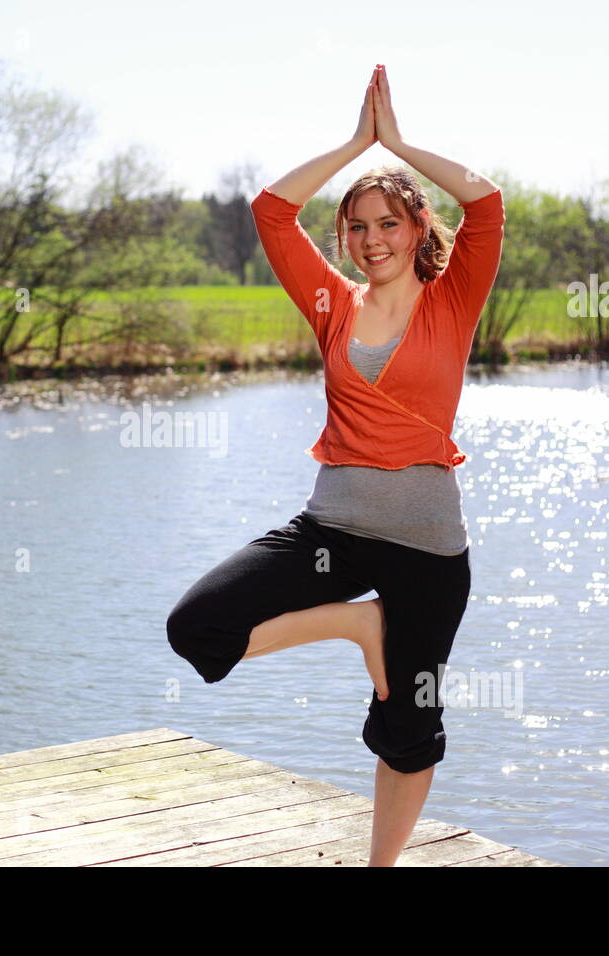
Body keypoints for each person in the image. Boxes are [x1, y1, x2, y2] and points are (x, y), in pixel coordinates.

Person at [166, 63, 504, 867]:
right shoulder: (330, 303)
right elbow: (272, 209)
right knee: (197, 625)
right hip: (334, 531)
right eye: (357, 227)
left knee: (410, 729)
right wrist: (357, 143)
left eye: (388, 222)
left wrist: (399, 143)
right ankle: (360, 622)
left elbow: (485, 200)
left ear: (417, 226)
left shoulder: (454, 299)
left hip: (428, 548)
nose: (372, 240)